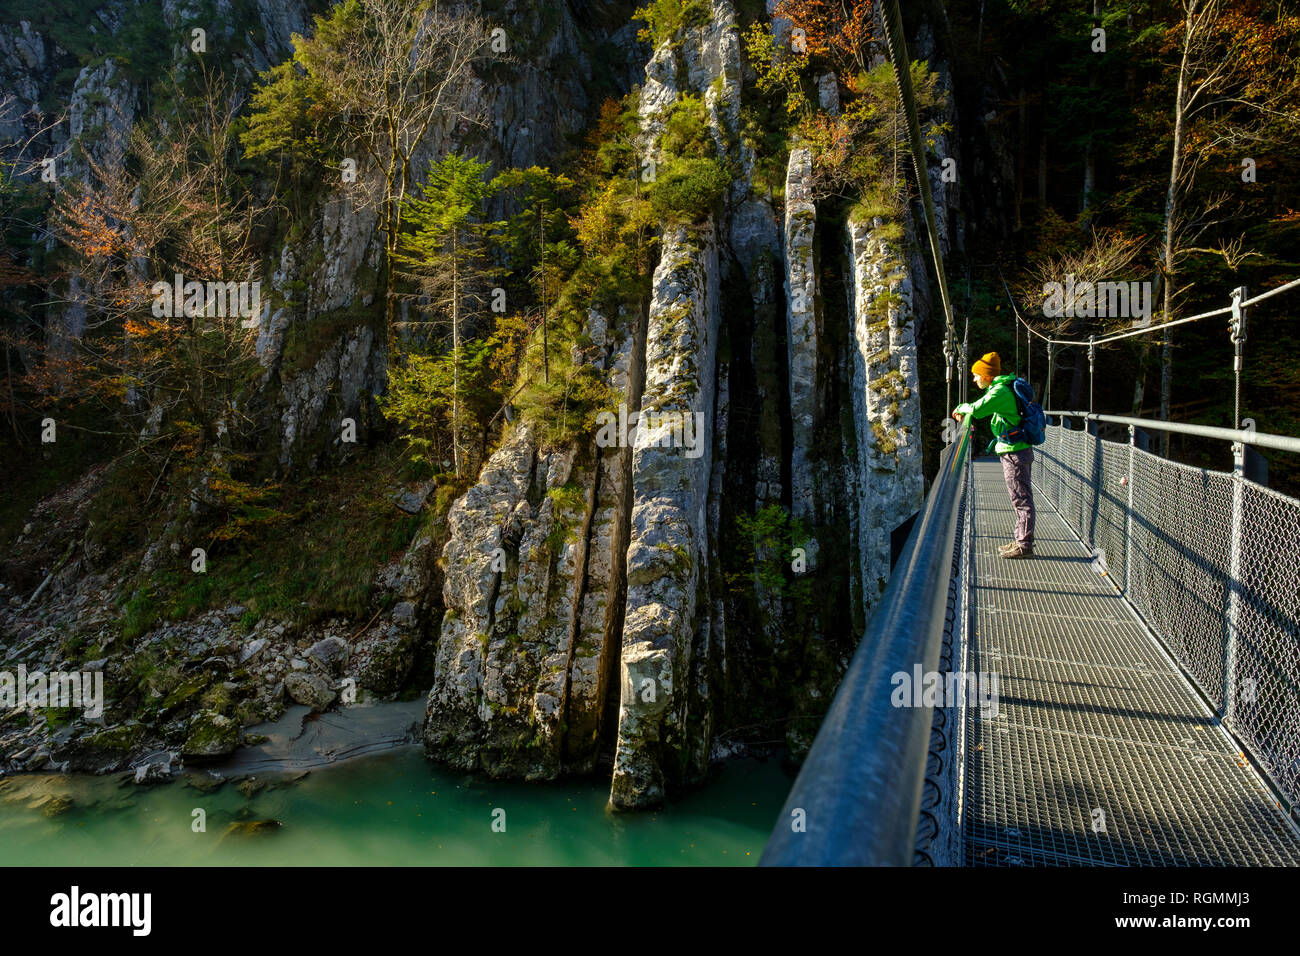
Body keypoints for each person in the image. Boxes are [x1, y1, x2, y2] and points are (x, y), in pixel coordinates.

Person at [951, 352, 1035, 558]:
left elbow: (976, 409)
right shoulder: (1000, 388)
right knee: (1020, 496)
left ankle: (1024, 546)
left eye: (976, 375)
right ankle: (1020, 540)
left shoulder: (999, 393)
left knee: (1021, 499)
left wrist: (960, 408)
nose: (974, 379)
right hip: (1016, 450)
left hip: (1014, 453)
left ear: (987, 375)